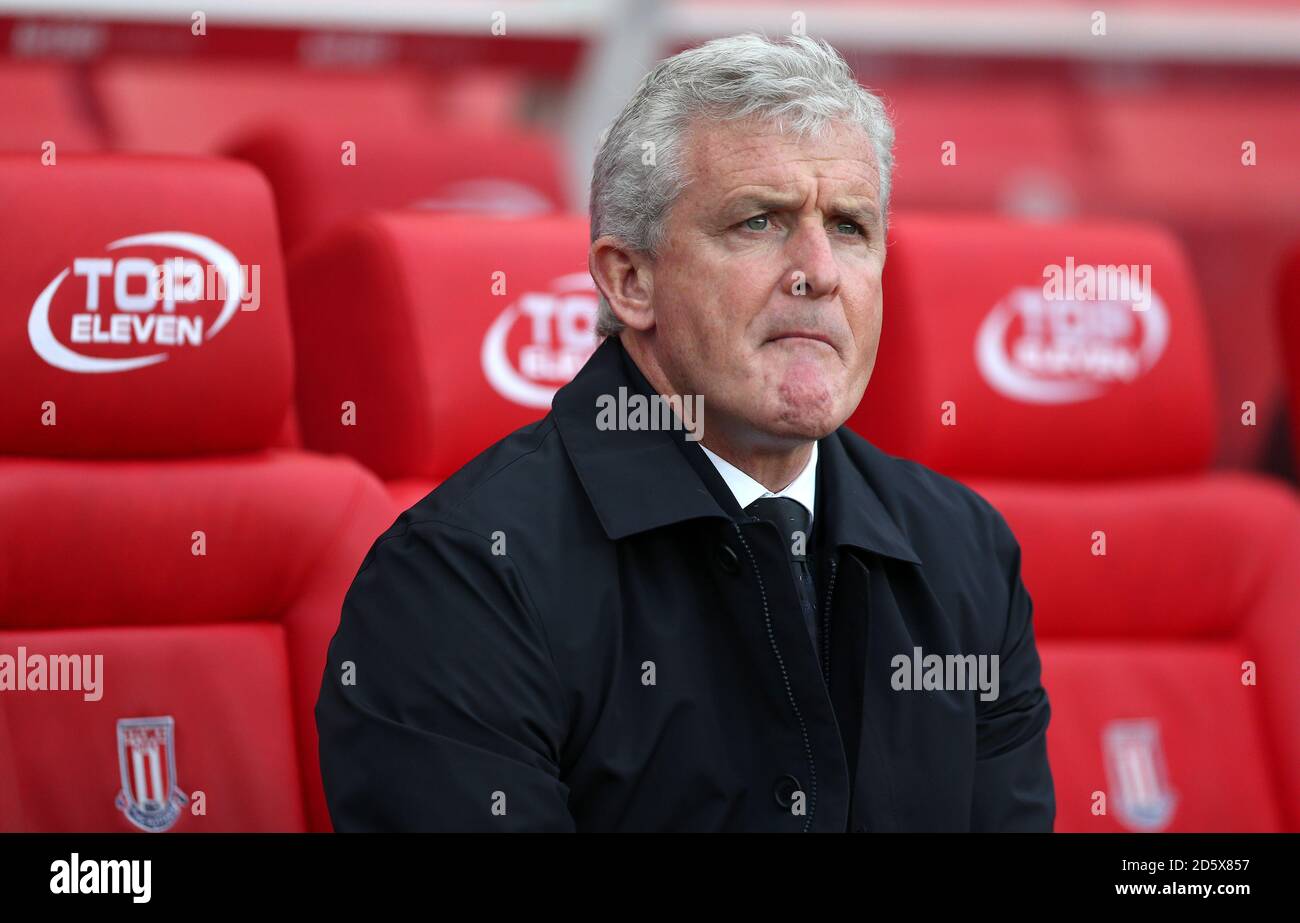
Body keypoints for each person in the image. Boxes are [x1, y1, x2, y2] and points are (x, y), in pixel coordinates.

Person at [316, 32, 1055, 832]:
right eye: (759, 221)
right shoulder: (459, 578)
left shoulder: (965, 553)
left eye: (849, 226)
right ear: (631, 280)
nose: (818, 271)